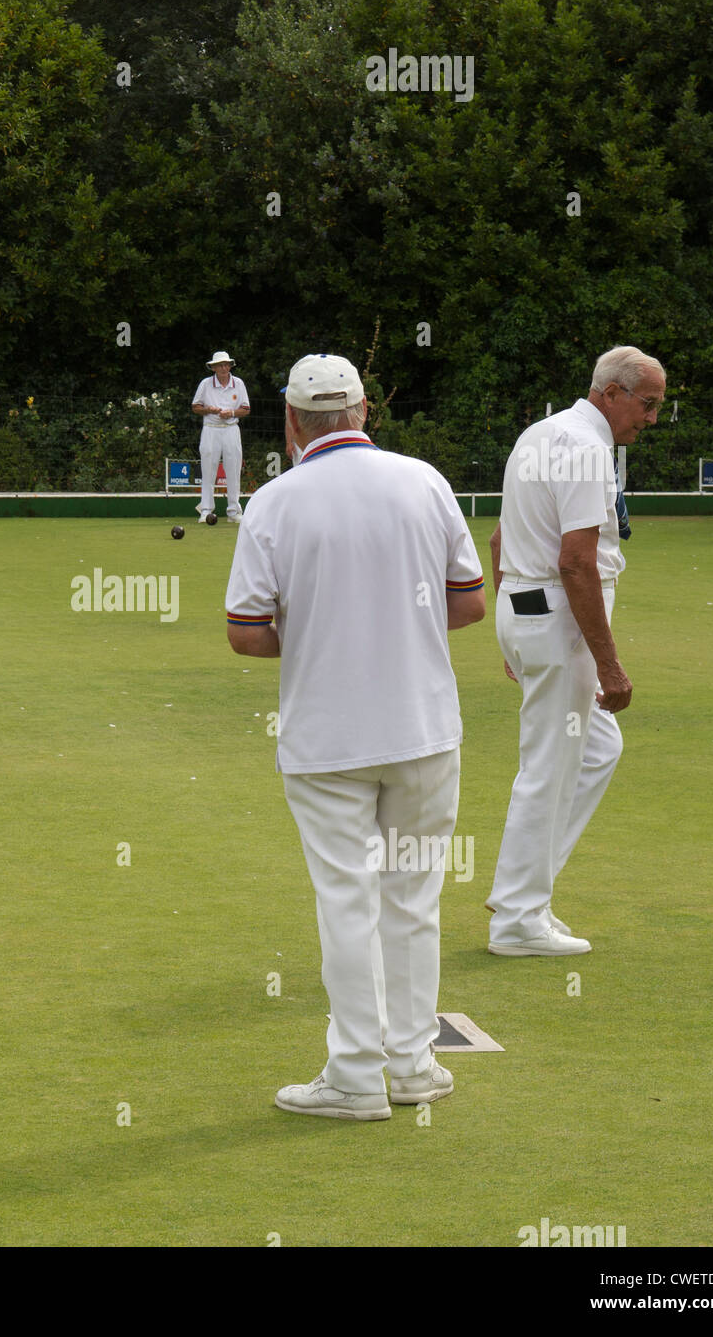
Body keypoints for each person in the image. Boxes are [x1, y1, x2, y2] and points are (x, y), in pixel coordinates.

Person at [226, 353, 485, 1121]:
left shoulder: (275, 501)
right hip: (423, 730)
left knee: (347, 898)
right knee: (414, 899)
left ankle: (355, 1077)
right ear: (364, 410)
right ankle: (410, 1066)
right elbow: (467, 604)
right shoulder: (425, 481)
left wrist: (317, 640)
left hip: (327, 737)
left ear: (290, 421)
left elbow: (246, 633)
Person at [486, 345, 664, 956]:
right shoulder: (588, 449)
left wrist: (509, 623)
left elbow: (500, 535)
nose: (652, 418)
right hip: (557, 618)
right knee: (549, 765)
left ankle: (526, 891)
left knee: (596, 748)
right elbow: (576, 561)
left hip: (526, 606)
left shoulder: (538, 433)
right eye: (647, 404)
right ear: (610, 393)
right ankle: (516, 919)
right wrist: (610, 665)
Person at [191, 351, 250, 522]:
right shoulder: (206, 384)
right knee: (208, 469)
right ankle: (206, 510)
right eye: (220, 365)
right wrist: (209, 410)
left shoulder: (238, 383)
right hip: (211, 428)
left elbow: (246, 409)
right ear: (214, 368)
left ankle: (234, 511)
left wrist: (231, 412)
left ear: (230, 366)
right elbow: (195, 406)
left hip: (231, 428)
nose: (223, 368)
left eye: (226, 364)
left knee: (233, 468)